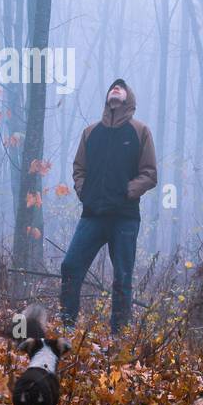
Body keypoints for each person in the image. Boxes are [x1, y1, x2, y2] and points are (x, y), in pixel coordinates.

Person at [60, 79, 157, 333]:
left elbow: (149, 173)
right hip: (92, 215)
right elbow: (79, 168)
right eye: (113, 87)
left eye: (121, 87)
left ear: (129, 98)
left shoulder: (140, 131)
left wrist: (127, 191)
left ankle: (119, 337)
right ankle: (67, 328)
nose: (116, 88)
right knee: (70, 267)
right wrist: (84, 192)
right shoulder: (91, 132)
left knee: (122, 278)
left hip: (125, 217)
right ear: (107, 97)